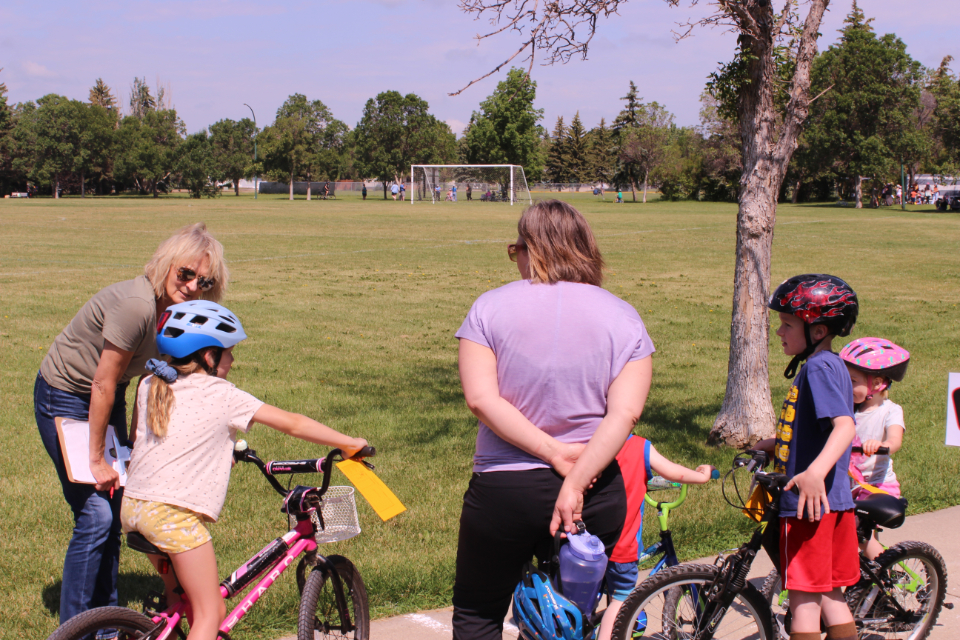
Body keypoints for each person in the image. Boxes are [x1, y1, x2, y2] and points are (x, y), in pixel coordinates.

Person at [452, 199, 655, 640]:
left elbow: (481, 400)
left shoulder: (488, 307)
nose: (516, 260)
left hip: (505, 490)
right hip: (594, 489)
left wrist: (553, 453)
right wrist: (576, 475)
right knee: (568, 622)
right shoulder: (623, 316)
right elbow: (626, 412)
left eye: (517, 249)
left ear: (531, 248)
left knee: (477, 614)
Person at [121, 301, 368, 640]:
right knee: (212, 612)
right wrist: (349, 442)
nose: (233, 361)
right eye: (228, 353)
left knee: (184, 601)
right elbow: (292, 424)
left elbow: (153, 439)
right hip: (171, 518)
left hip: (134, 507)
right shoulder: (222, 394)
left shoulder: (150, 384)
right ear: (208, 356)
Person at [35, 223, 228, 624]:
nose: (193, 286)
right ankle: (77, 629)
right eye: (185, 274)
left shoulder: (176, 313)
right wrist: (96, 459)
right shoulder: (137, 306)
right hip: (67, 394)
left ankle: (106, 623)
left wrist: (143, 442)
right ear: (165, 265)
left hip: (111, 392)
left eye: (203, 280)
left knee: (121, 499)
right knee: (96, 514)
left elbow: (145, 374)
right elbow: (102, 381)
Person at [756, 274, 860, 640]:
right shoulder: (830, 365)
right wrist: (770, 445)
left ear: (817, 331)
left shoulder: (817, 368)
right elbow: (815, 428)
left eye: (787, 324)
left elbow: (844, 426)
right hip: (833, 504)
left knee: (802, 602)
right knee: (831, 595)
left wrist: (814, 472)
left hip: (807, 505)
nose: (780, 332)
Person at [596, 436, 715, 640]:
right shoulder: (637, 445)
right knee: (621, 598)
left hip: (583, 541)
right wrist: (703, 475)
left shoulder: (587, 438)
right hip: (621, 545)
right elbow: (673, 471)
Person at [839, 337, 909, 559]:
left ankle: (886, 578)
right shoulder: (848, 410)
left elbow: (895, 439)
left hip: (878, 487)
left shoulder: (890, 411)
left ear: (877, 383)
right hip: (851, 486)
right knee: (852, 535)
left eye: (852, 381)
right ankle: (870, 579)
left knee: (858, 534)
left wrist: (882, 445)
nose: (846, 386)